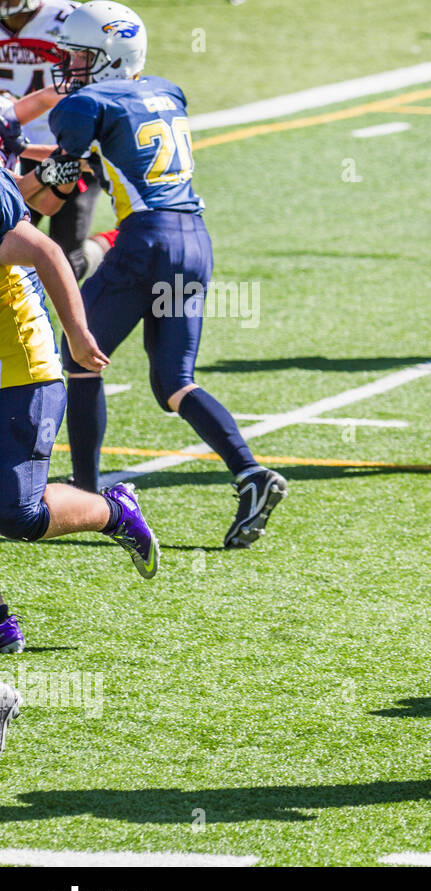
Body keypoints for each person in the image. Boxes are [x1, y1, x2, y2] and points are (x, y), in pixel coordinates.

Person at [19, 0, 285, 547]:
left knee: (80, 354)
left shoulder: (87, 100)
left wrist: (42, 170)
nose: (69, 64)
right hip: (193, 237)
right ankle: (251, 473)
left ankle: (90, 490)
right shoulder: (166, 89)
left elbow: (63, 184)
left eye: (78, 55)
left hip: (145, 241)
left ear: (107, 55)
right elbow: (111, 155)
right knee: (174, 382)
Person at [0, 156, 161, 658]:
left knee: (16, 513)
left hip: (21, 365)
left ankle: (115, 511)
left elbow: (45, 251)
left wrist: (77, 333)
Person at [0, 0, 117, 280]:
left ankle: (112, 241)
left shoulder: (73, 18)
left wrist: (52, 166)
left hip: (70, 142)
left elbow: (54, 94)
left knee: (67, 261)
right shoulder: (8, 116)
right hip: (21, 150)